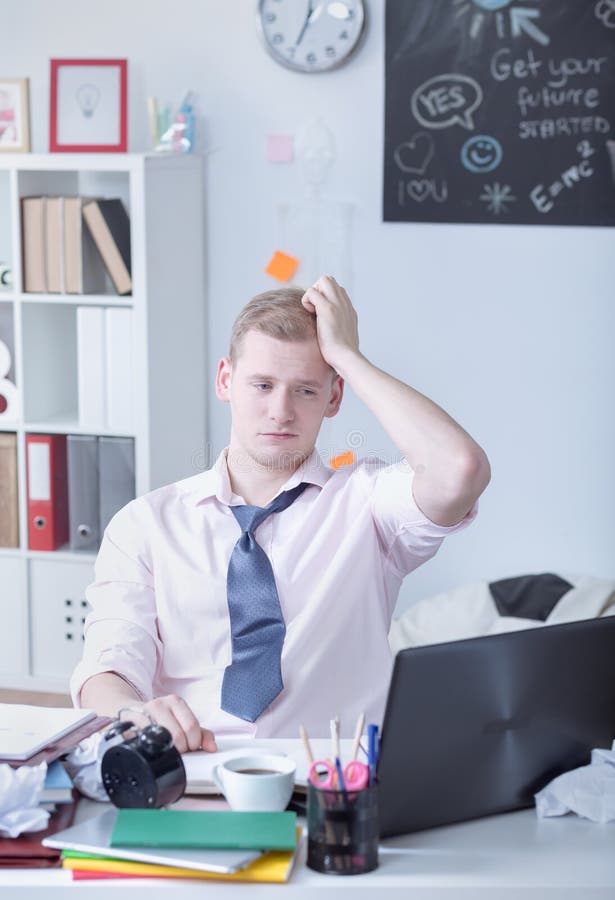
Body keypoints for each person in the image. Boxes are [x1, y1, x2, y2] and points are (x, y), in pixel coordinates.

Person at [72, 275, 490, 753]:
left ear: (335, 398)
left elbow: (460, 469)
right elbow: (106, 669)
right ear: (225, 380)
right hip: (194, 768)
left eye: (306, 390)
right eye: (263, 385)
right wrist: (135, 711)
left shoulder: (369, 506)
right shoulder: (145, 524)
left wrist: (348, 358)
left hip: (333, 778)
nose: (280, 411)